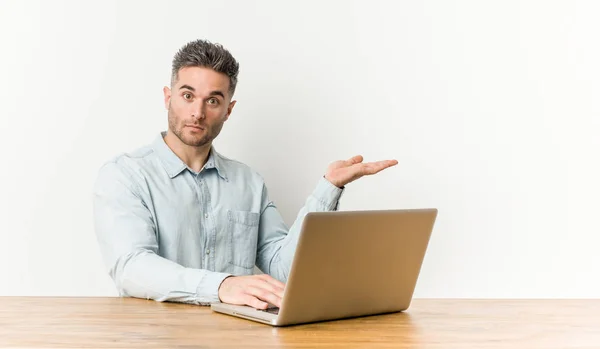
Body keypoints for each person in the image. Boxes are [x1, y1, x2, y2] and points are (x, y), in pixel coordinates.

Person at [92, 39, 398, 310]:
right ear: (167, 97)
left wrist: (327, 189)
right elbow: (131, 268)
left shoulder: (248, 182)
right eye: (187, 96)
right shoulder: (124, 175)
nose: (198, 112)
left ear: (229, 109)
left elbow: (282, 269)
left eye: (212, 100)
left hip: (237, 340)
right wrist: (222, 285)